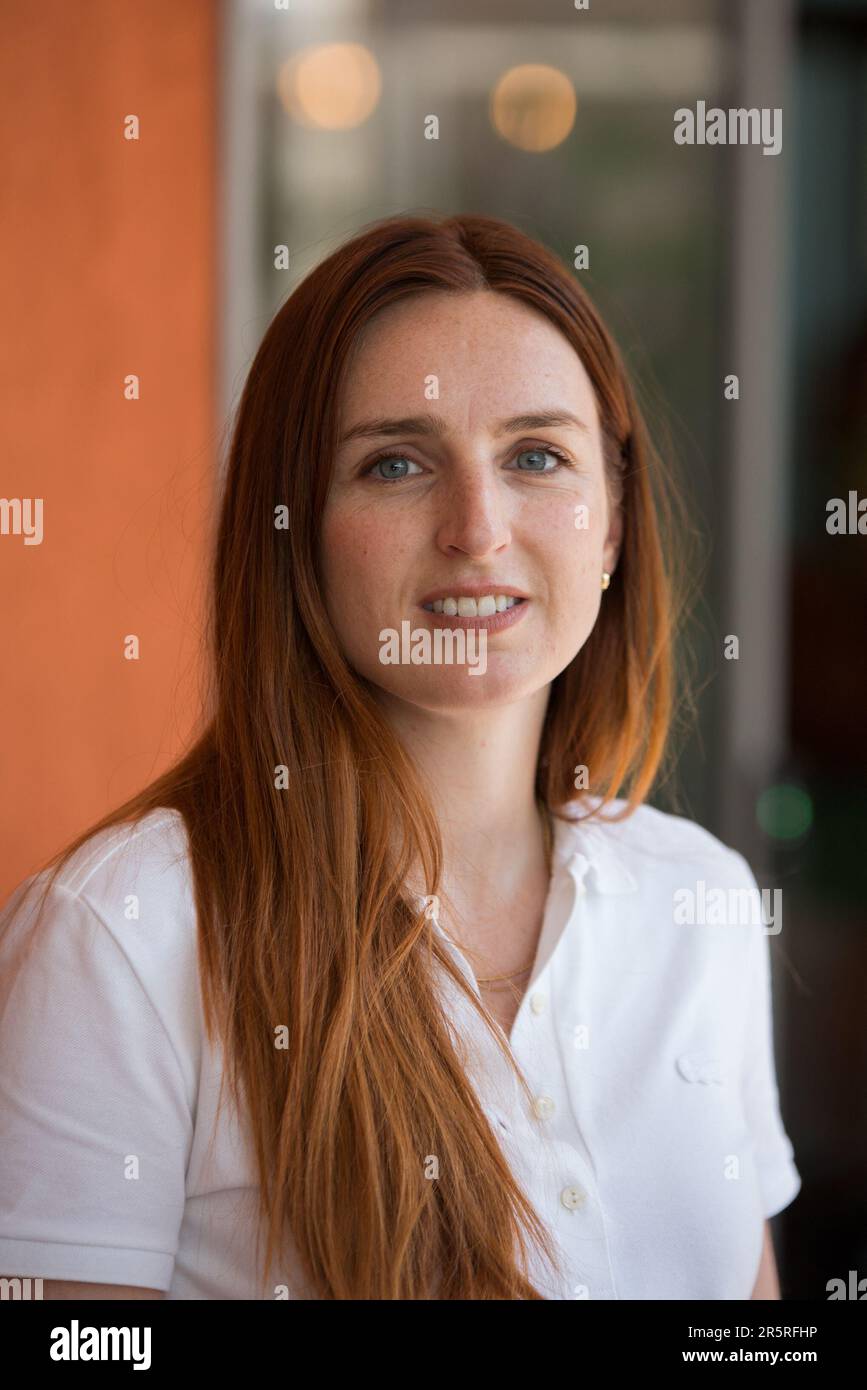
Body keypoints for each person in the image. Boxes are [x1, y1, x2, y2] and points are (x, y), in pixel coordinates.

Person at [0, 213, 800, 1300]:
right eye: (394, 462)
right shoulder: (123, 932)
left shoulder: (699, 901)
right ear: (293, 527)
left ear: (610, 526)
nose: (477, 527)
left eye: (535, 455)